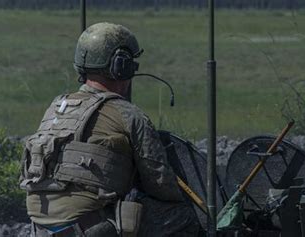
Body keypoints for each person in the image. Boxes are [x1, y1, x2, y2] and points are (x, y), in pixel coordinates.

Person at [20, 22, 199, 236]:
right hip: (91, 229)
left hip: (40, 229)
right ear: (120, 66)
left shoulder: (56, 108)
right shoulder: (129, 115)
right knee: (184, 217)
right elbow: (160, 184)